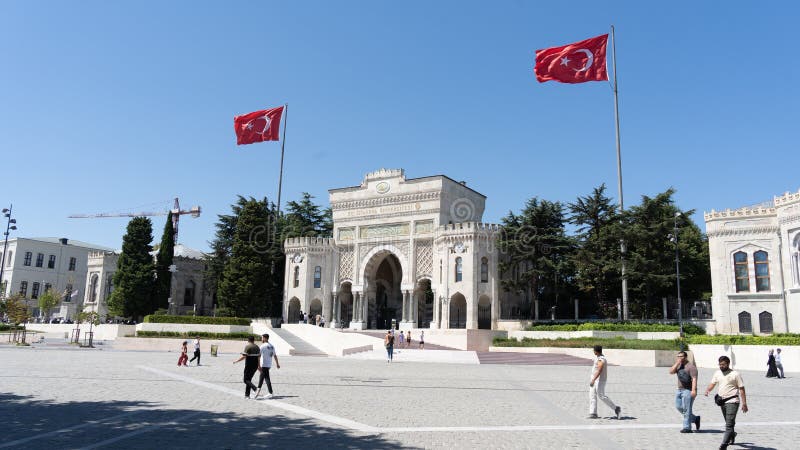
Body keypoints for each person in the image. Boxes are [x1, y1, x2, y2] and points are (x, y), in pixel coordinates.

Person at [705, 355, 748, 449]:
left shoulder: (735, 374)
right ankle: (732, 435)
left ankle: (724, 445)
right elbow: (713, 383)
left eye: (723, 364)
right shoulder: (717, 373)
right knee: (729, 423)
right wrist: (708, 390)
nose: (721, 366)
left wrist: (744, 403)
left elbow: (741, 389)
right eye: (720, 364)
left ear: (728, 364)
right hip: (721, 401)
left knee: (728, 424)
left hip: (733, 401)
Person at [669, 350, 700, 433]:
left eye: (681, 356)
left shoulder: (691, 367)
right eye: (678, 356)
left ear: (686, 357)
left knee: (687, 409)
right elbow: (671, 372)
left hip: (688, 390)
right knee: (678, 406)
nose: (679, 358)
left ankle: (687, 427)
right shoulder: (679, 366)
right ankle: (695, 419)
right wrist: (677, 363)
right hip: (679, 390)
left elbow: (694, 379)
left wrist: (694, 390)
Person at [588, 345, 621, 419]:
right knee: (592, 395)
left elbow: (599, 370)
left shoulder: (601, 359)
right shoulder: (597, 358)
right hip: (594, 379)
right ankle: (593, 413)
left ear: (596, 351)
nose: (593, 352)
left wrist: (593, 380)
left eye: (594, 350)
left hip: (600, 380)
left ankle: (616, 408)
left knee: (601, 396)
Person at [255, 333, 280, 399]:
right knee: (264, 378)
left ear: (265, 338)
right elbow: (275, 356)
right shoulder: (272, 346)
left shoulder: (262, 346)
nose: (261, 339)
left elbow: (259, 356)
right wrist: (277, 364)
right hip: (268, 364)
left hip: (264, 364)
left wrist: (258, 365)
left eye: (262, 338)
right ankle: (267, 392)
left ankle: (260, 391)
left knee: (264, 378)